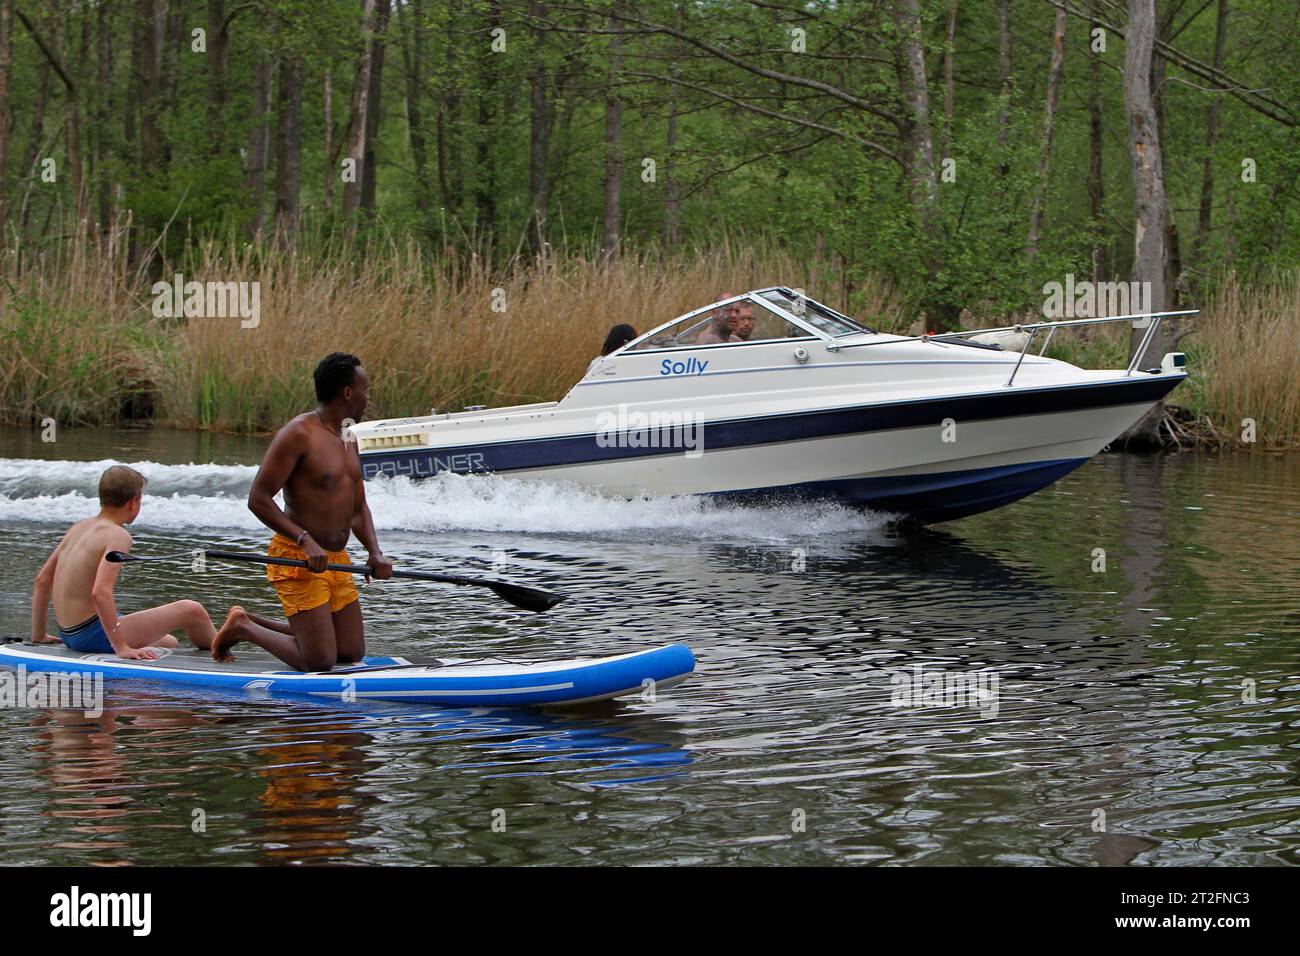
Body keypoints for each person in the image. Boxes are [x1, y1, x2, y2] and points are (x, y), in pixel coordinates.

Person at [212, 353, 393, 669]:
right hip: (298, 557)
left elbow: (358, 507)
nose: (368, 398)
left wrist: (375, 552)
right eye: (366, 390)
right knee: (319, 660)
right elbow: (259, 498)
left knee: (350, 652)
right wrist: (304, 539)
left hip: (336, 560)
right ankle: (244, 628)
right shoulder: (298, 433)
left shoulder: (349, 438)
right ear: (348, 393)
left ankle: (247, 620)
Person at [30, 465, 218, 660]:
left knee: (169, 642)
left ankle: (218, 640)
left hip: (70, 635)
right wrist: (122, 647)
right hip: (91, 635)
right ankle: (223, 643)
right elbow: (100, 592)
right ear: (133, 502)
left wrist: (39, 635)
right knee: (191, 610)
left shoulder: (80, 526)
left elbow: (42, 580)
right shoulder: (118, 535)